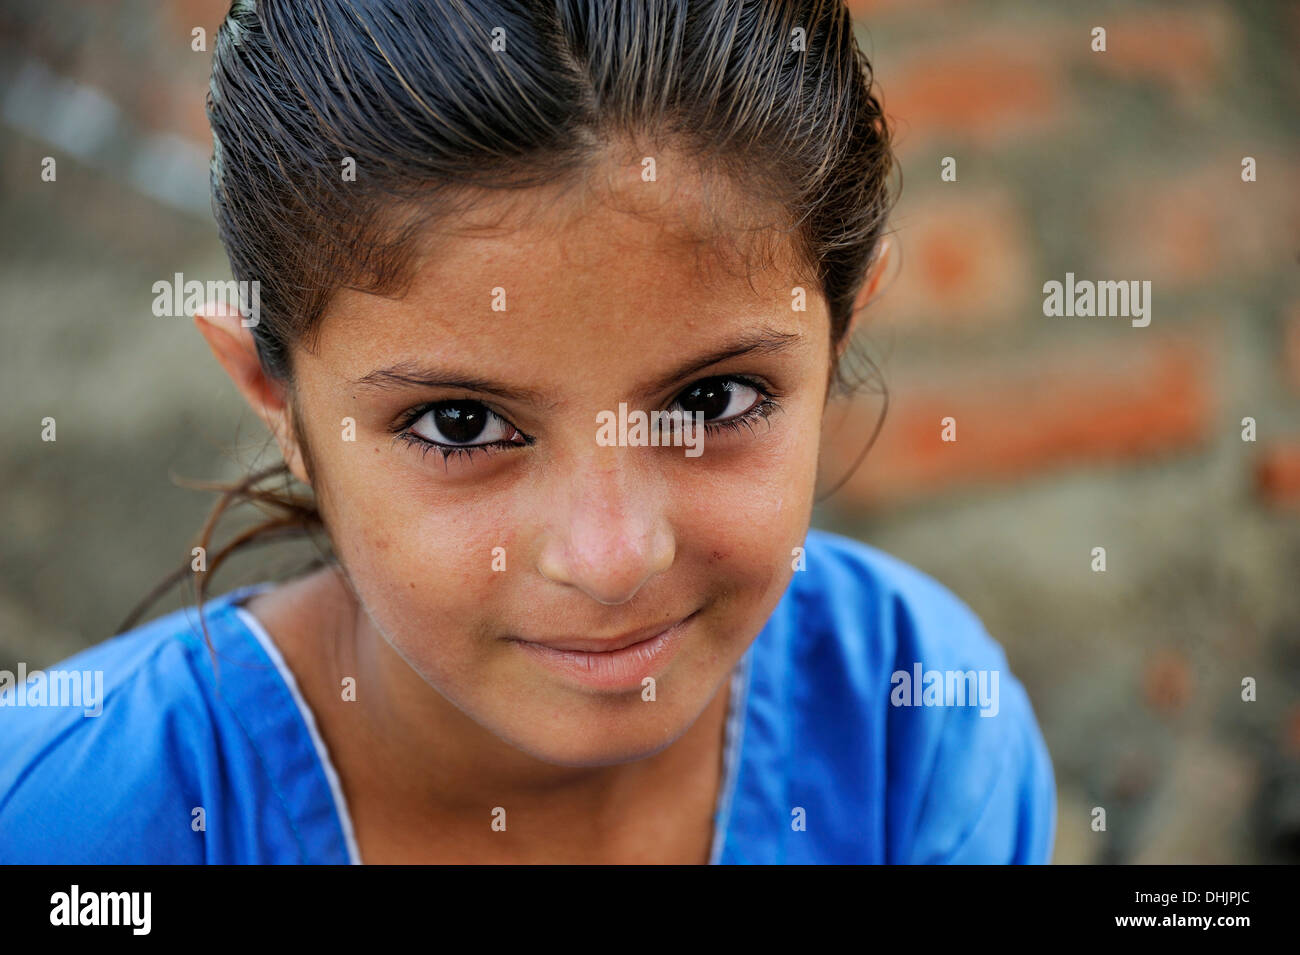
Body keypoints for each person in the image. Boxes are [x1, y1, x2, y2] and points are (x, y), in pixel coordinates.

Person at [0, 0, 1055, 864]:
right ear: (273, 396)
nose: (608, 558)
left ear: (840, 333)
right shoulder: (73, 822)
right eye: (460, 423)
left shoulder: (912, 736)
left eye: (712, 401)